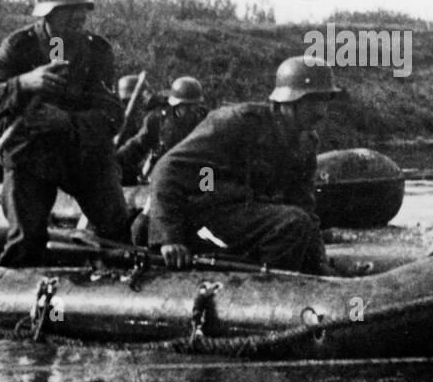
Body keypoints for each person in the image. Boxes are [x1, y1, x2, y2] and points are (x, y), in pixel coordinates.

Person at [0, 0, 132, 266]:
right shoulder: (19, 47)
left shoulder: (97, 51)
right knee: (26, 242)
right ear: (48, 12)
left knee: (117, 232)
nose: (79, 16)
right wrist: (23, 84)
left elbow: (111, 116)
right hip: (31, 156)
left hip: (84, 154)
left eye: (83, 9)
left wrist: (67, 121)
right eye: (70, 10)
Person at [146, 57, 341, 273]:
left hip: (244, 218)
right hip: (204, 215)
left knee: (297, 220)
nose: (321, 112)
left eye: (325, 101)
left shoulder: (305, 142)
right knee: (290, 223)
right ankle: (269, 290)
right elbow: (167, 167)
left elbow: (303, 204)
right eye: (314, 102)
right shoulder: (235, 122)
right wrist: (169, 237)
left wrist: (320, 265)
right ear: (290, 101)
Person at [116, 76, 209, 184]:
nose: (192, 110)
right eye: (187, 106)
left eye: (195, 105)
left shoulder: (207, 120)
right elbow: (138, 145)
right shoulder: (158, 120)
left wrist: (209, 190)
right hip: (168, 173)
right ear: (177, 105)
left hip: (200, 171)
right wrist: (115, 160)